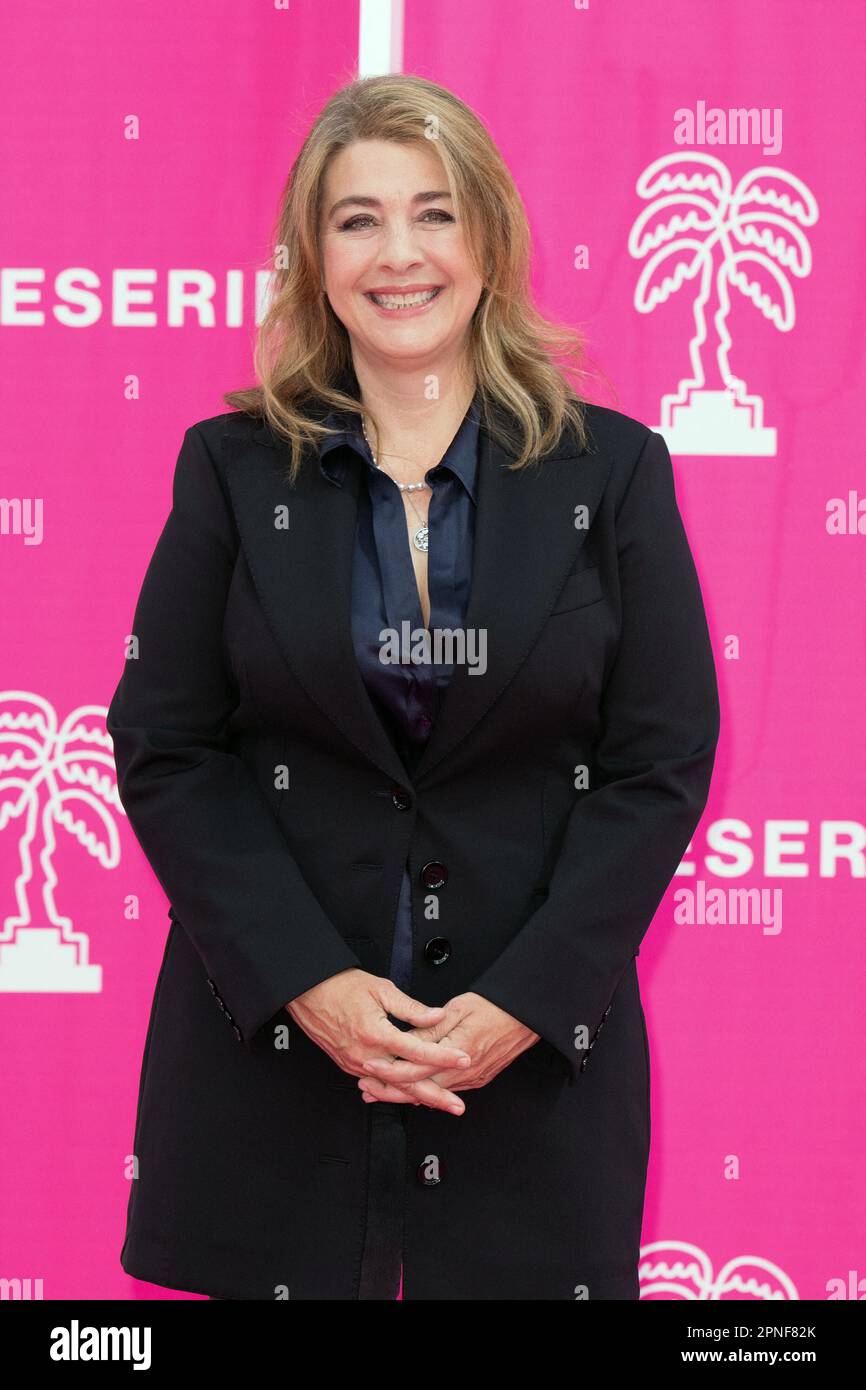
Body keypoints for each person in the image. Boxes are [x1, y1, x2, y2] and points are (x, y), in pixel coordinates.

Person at [107, 73, 720, 1301]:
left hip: (534, 1088)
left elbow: (657, 762)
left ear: (487, 240)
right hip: (268, 1072)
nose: (400, 254)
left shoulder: (614, 470)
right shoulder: (230, 471)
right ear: (312, 256)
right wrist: (307, 983)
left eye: (434, 214)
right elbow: (169, 744)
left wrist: (523, 1000)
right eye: (357, 219)